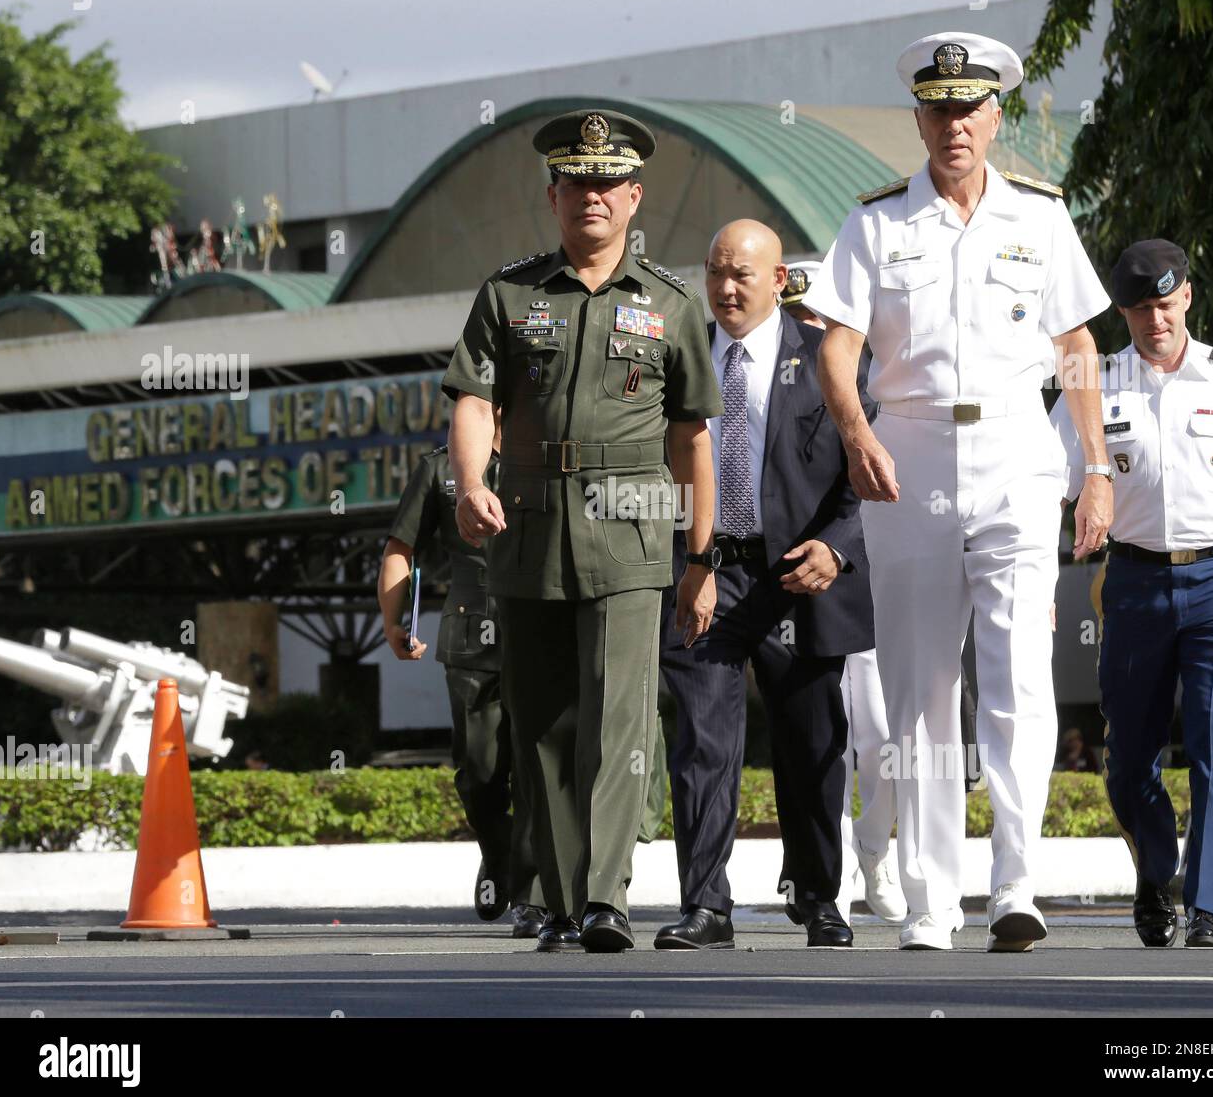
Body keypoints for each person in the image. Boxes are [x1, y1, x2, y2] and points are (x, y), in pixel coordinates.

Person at [807, 31, 1114, 952]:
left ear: (994, 117)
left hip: (1019, 447)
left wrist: (1096, 465)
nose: (953, 126)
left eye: (969, 109)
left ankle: (1016, 884)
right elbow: (835, 344)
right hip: (907, 451)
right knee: (919, 686)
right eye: (937, 110)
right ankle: (929, 900)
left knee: (1020, 675)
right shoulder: (875, 223)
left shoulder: (1041, 218)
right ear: (919, 119)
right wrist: (856, 434)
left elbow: (1079, 349)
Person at [441, 109, 723, 953]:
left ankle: (607, 896)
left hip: (633, 529)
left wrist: (702, 558)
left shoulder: (671, 307)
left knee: (618, 719)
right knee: (539, 721)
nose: (592, 196)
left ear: (634, 197)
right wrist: (467, 484)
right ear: (552, 193)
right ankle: (560, 902)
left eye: (608, 183)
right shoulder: (509, 295)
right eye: (577, 182)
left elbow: (692, 440)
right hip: (527, 522)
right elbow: (474, 401)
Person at [1052, 239, 1213, 949]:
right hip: (1131, 580)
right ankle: (1159, 874)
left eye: (1165, 303)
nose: (1155, 319)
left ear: (1186, 295)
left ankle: (1209, 905)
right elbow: (1050, 485)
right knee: (1127, 757)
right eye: (1138, 309)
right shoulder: (1095, 386)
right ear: (1122, 311)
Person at [653, 220, 880, 950]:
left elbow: (866, 472)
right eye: (715, 272)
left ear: (778, 280)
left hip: (799, 576)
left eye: (741, 274)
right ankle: (706, 904)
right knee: (703, 742)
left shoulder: (828, 361)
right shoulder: (679, 364)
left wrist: (838, 551)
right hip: (706, 570)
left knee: (813, 740)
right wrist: (689, 556)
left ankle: (817, 896)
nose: (724, 287)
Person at [377, 417, 546, 939]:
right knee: (479, 770)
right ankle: (496, 854)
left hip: (541, 630)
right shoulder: (439, 470)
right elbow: (400, 548)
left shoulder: (549, 456)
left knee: (537, 768)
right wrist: (395, 624)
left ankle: (532, 893)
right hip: (471, 636)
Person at [783, 260, 907, 924]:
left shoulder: (871, 389)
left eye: (819, 322)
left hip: (869, 579)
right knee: (817, 736)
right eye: (798, 320)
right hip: (797, 581)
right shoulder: (768, 388)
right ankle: (812, 866)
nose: (808, 336)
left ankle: (875, 852)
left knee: (883, 737)